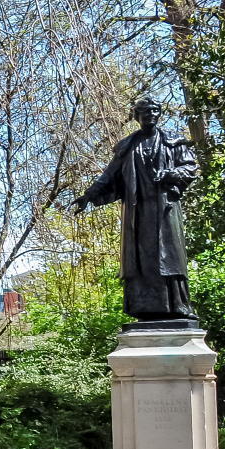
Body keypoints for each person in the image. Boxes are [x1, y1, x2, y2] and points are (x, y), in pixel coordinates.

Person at [70, 99, 198, 322]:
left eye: (155, 110)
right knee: (141, 259)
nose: (151, 114)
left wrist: (169, 174)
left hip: (165, 209)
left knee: (170, 258)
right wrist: (88, 196)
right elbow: (109, 175)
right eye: (145, 111)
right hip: (138, 212)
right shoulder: (127, 146)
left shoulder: (173, 141)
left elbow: (189, 167)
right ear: (136, 116)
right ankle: (144, 308)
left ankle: (178, 306)